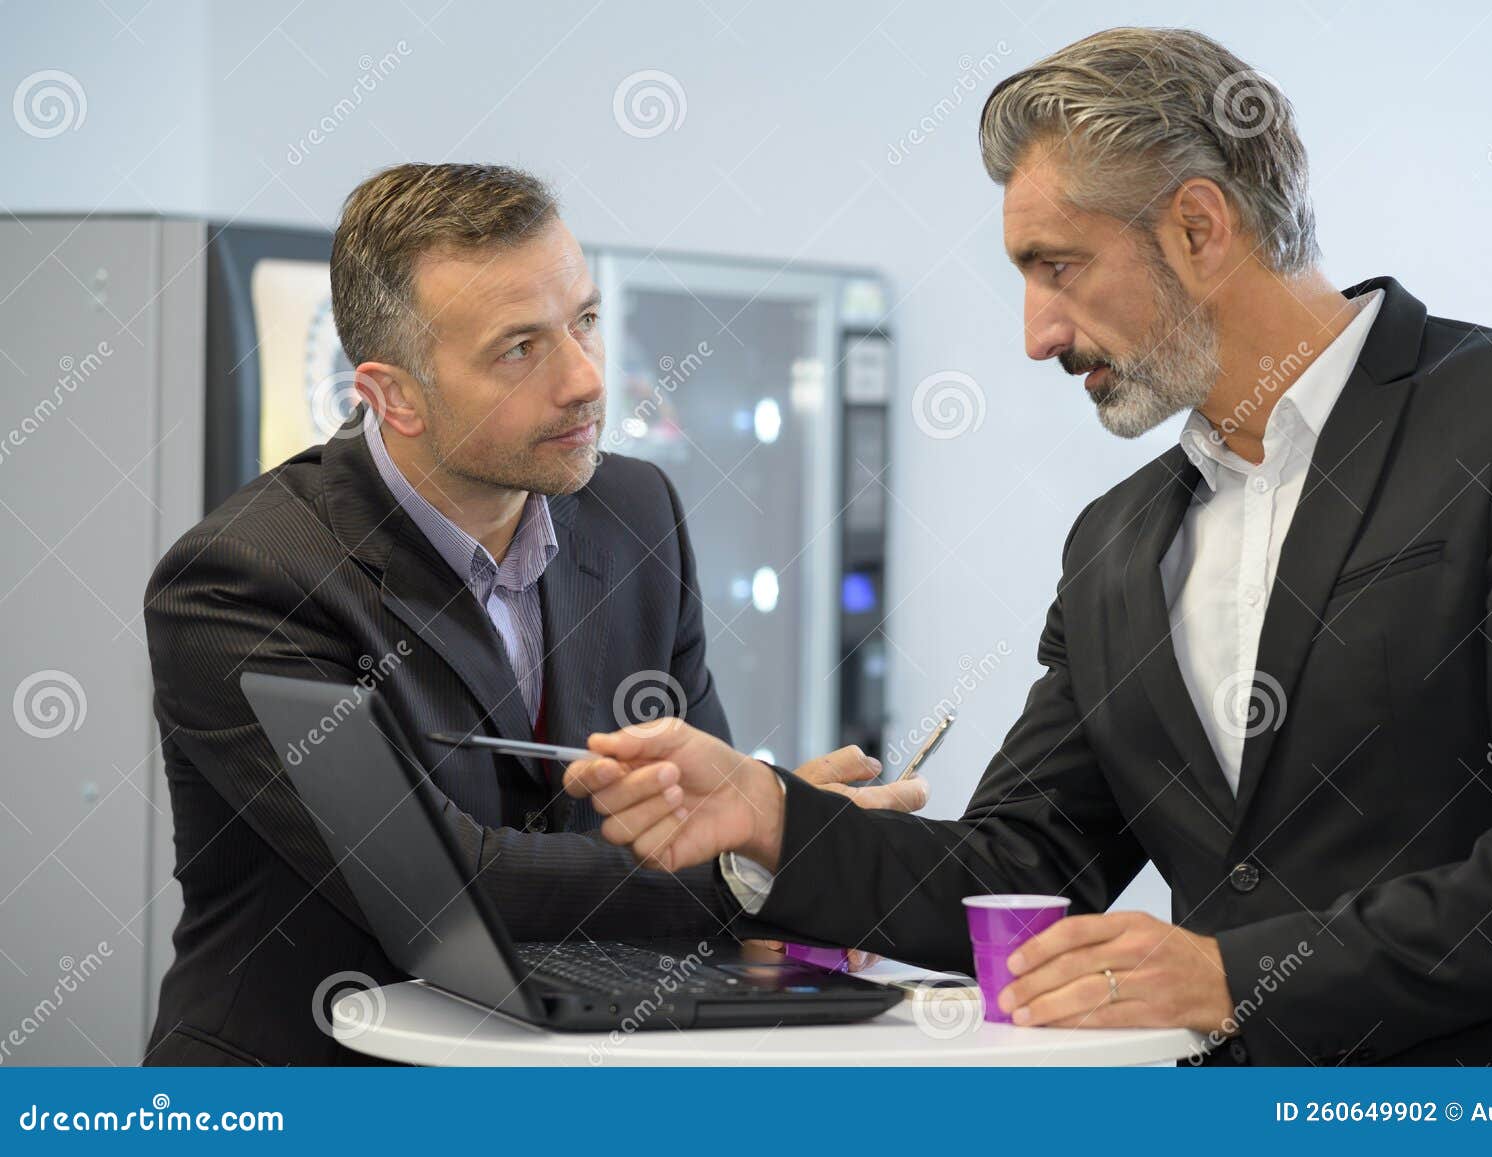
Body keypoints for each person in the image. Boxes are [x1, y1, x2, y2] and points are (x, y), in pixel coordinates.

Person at [566, 28, 1492, 1065]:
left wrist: (1234, 973)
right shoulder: (1114, 544)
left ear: (1199, 227)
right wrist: (770, 815)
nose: (1036, 335)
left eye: (1056, 268)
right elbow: (1019, 861)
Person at [141, 163, 924, 1066]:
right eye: (520, 348)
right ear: (391, 393)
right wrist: (759, 867)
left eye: (584, 320)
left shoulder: (635, 511)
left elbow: (686, 817)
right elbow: (436, 884)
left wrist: (782, 886)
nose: (587, 379)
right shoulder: (245, 577)